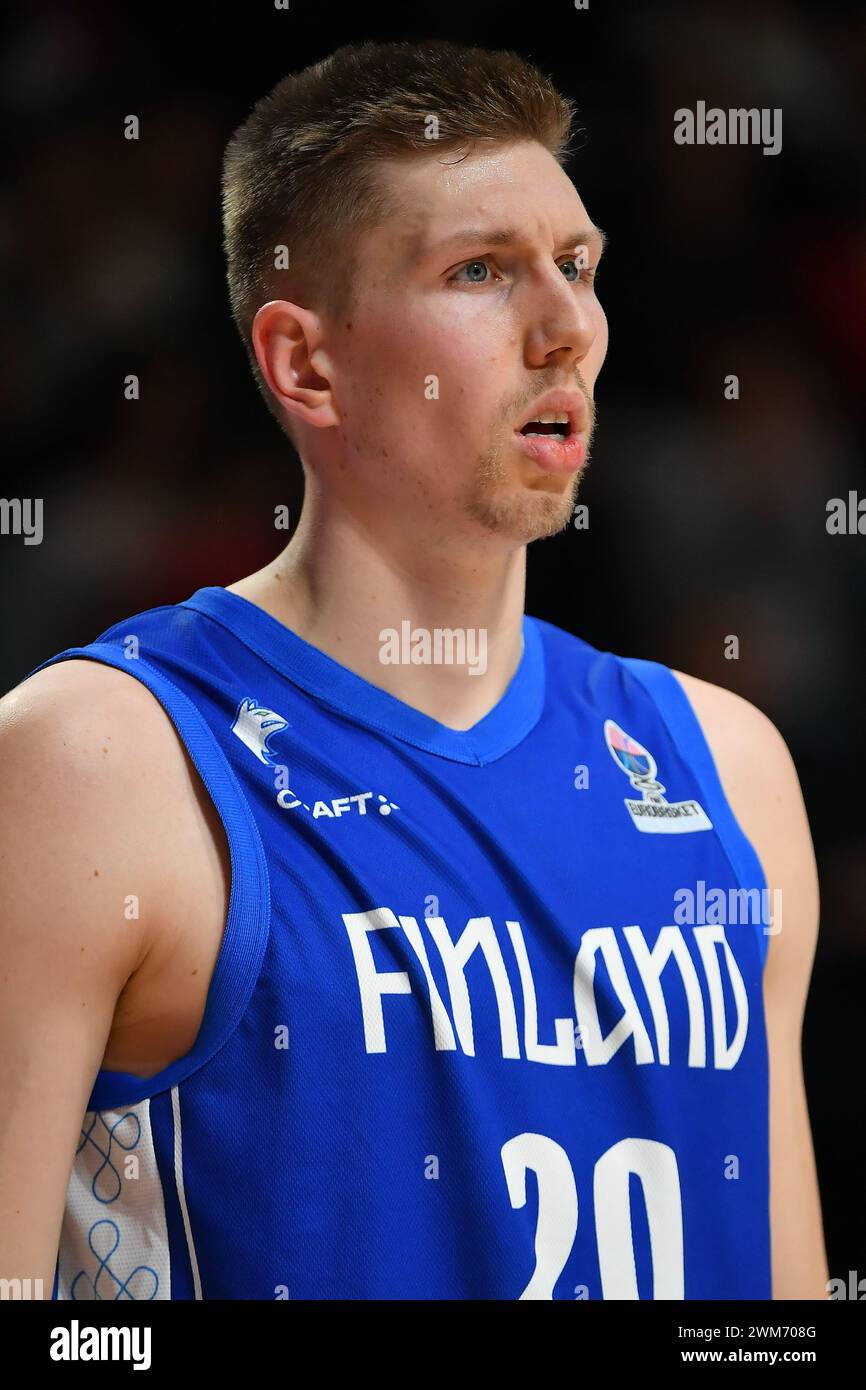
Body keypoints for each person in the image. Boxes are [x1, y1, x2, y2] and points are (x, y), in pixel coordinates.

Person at [0, 38, 827, 1300]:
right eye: (480, 270)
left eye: (577, 266)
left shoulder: (726, 768)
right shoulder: (97, 761)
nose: (565, 329)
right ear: (305, 364)